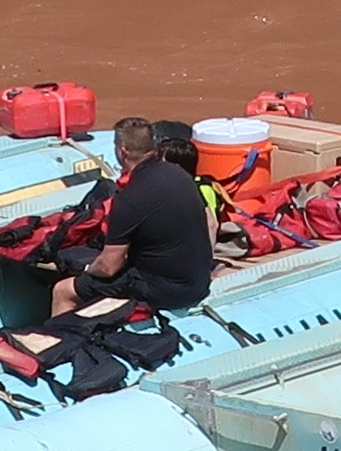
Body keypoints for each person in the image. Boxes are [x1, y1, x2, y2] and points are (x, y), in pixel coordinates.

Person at [46, 117, 215, 330]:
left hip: (166, 291)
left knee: (64, 290)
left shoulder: (130, 198)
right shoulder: (180, 175)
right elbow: (210, 222)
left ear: (122, 151)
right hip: (198, 281)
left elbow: (109, 267)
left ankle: (55, 344)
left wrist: (87, 270)